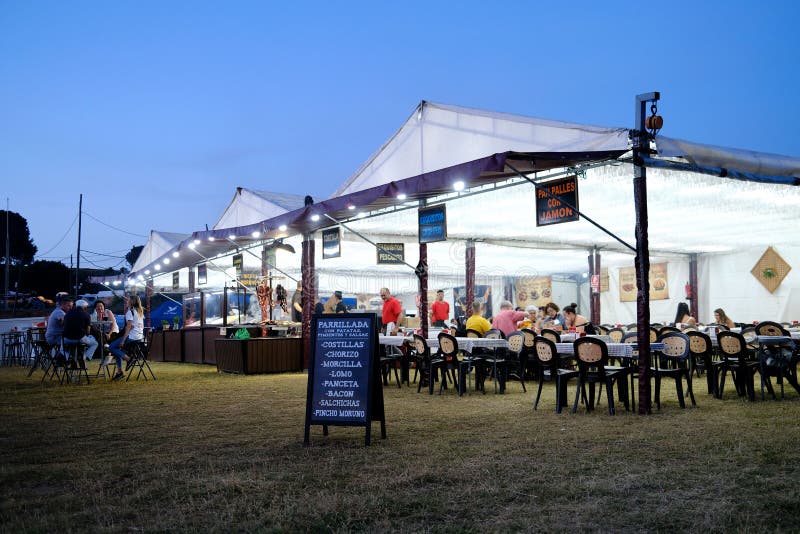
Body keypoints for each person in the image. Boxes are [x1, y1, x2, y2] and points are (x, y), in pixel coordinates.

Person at [107, 295, 145, 380]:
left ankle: (129, 359)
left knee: (111, 347)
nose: (127, 302)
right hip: (139, 337)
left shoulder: (130, 312)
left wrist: (123, 340)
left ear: (131, 302)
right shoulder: (139, 311)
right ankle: (120, 372)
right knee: (117, 351)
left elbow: (128, 327)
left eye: (128, 300)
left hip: (132, 337)